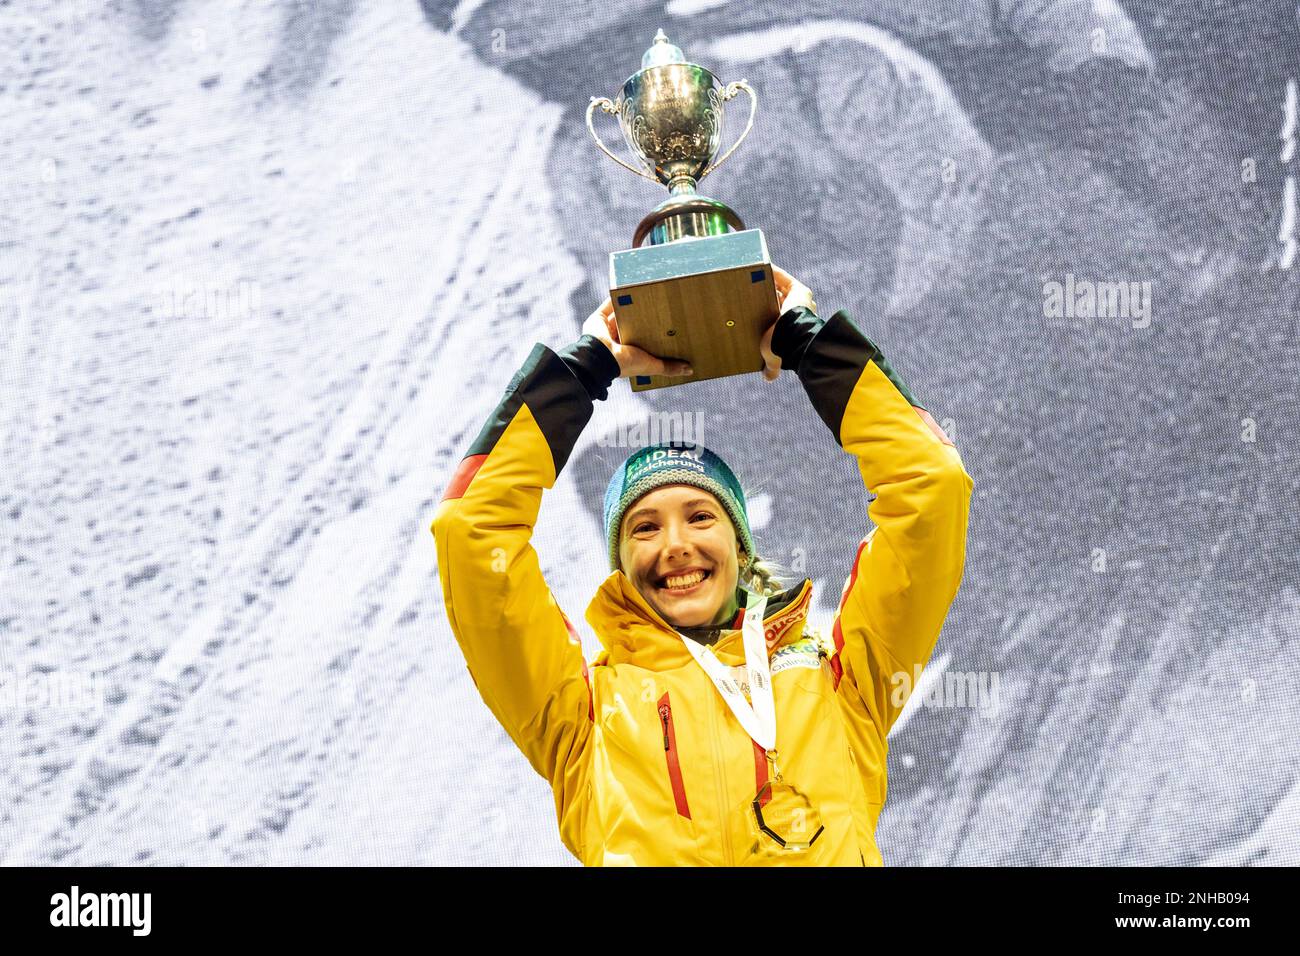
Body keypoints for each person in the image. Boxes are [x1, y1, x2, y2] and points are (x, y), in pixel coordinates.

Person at [430, 265, 973, 866]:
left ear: (741, 547)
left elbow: (933, 490)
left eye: (700, 516)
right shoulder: (579, 718)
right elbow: (472, 536)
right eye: (644, 527)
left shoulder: (844, 683)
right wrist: (585, 370)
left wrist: (807, 342)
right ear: (621, 566)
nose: (675, 544)